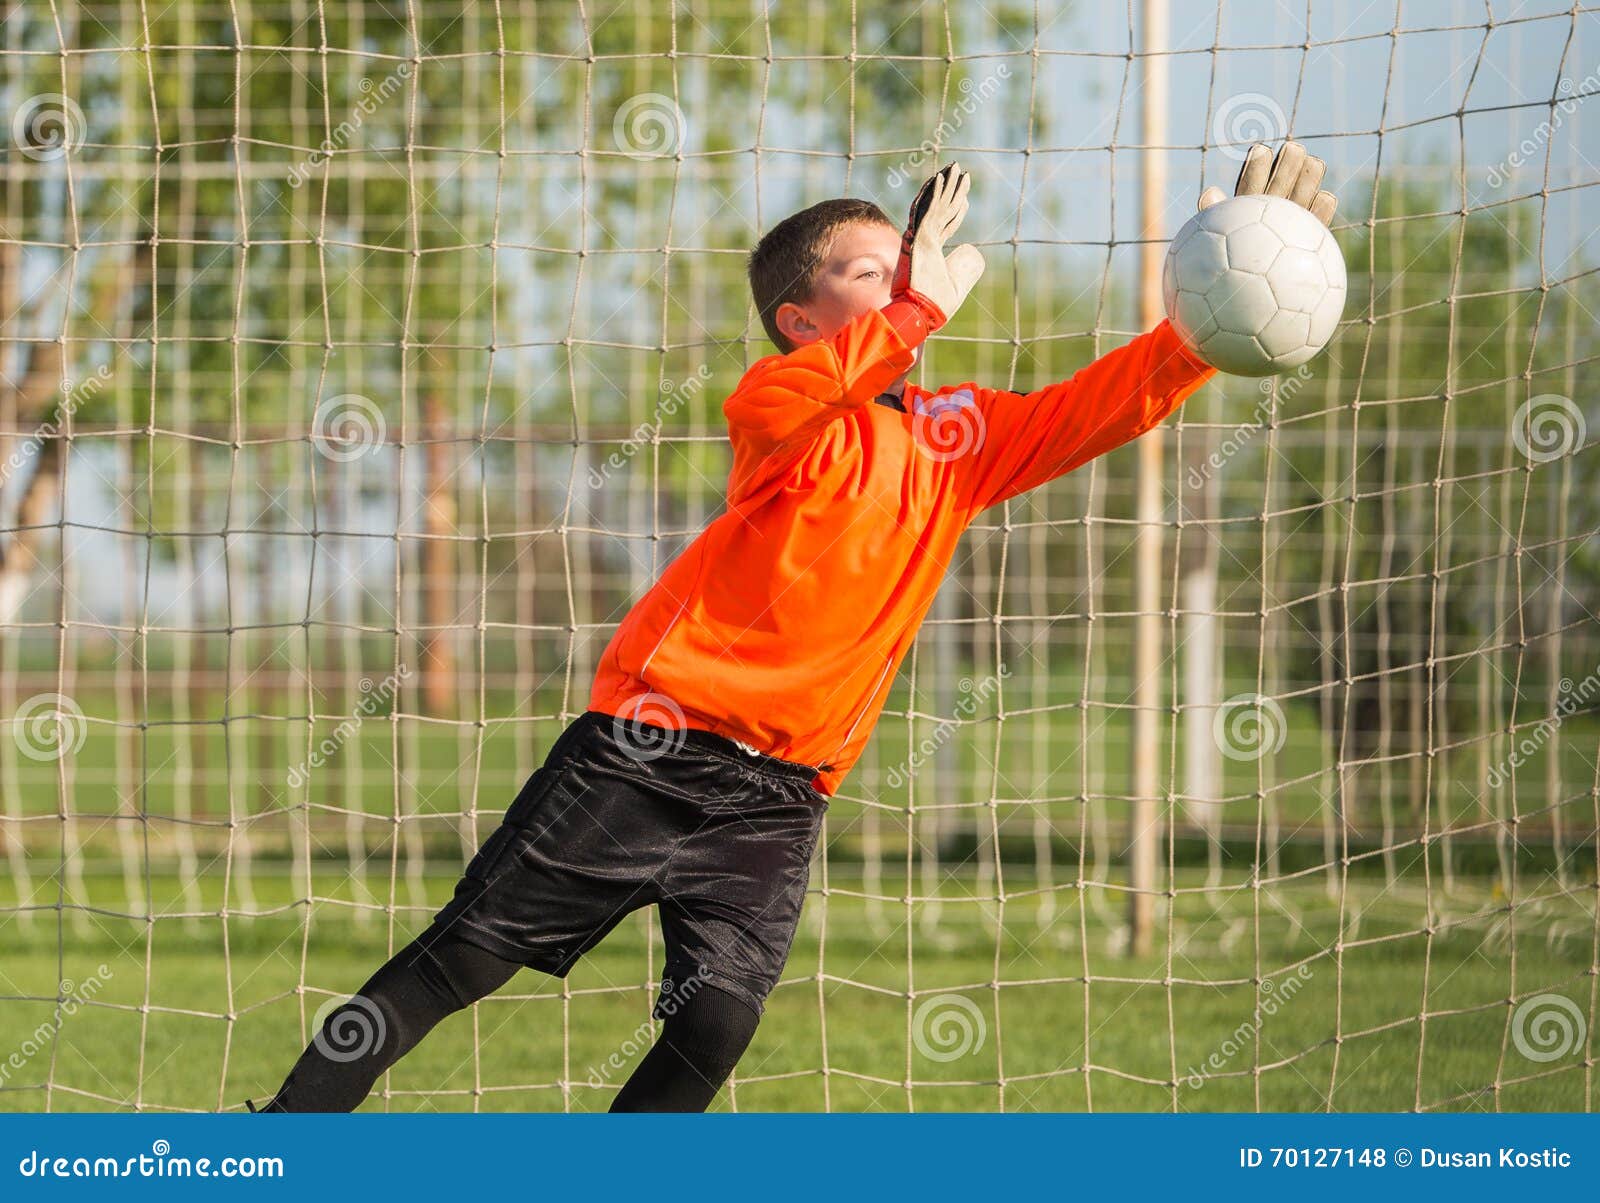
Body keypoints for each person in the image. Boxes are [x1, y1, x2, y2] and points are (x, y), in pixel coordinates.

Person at [253, 143, 1335, 1112]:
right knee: (467, 959)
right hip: (647, 746)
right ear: (800, 321)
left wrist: (1210, 317)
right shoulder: (775, 410)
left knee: (717, 1020)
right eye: (872, 269)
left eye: (907, 262)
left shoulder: (957, 441)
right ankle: (285, 1139)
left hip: (782, 793)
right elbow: (811, 396)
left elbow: (1103, 401)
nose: (905, 278)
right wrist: (916, 316)